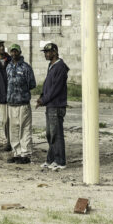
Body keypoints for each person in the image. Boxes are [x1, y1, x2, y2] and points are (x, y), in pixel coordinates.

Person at [37, 42, 69, 170]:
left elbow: (56, 88)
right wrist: (42, 97)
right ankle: (51, 159)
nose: (46, 54)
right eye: (45, 52)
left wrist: (43, 100)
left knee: (56, 134)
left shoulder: (60, 67)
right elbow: (48, 85)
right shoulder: (51, 66)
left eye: (48, 52)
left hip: (56, 105)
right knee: (50, 134)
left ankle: (60, 161)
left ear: (55, 52)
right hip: (50, 105)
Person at [4, 44, 36, 165]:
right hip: (11, 104)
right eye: (12, 52)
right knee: (14, 129)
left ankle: (25, 154)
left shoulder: (26, 67)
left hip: (23, 103)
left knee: (25, 129)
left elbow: (32, 84)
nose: (13, 54)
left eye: (16, 51)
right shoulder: (8, 67)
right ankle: (16, 153)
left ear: (20, 52)